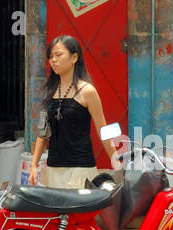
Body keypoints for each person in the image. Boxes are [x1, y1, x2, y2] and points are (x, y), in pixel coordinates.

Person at [29, 36, 119, 187]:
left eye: (58, 55)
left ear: (74, 57)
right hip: (54, 168)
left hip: (80, 168)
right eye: (51, 57)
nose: (53, 60)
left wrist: (117, 162)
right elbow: (43, 132)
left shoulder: (87, 91)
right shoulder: (50, 92)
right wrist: (34, 164)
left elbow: (104, 131)